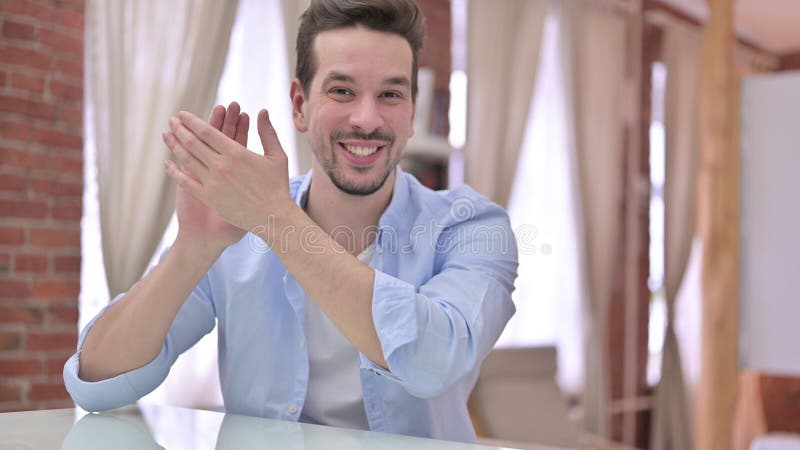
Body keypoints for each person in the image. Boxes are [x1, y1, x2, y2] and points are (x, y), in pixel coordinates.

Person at [64, 0, 518, 443]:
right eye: (342, 90)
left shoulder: (472, 228)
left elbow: (437, 361)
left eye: (390, 94)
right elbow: (96, 383)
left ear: (412, 112)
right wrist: (192, 248)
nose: (366, 118)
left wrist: (276, 220)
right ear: (299, 104)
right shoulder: (238, 227)